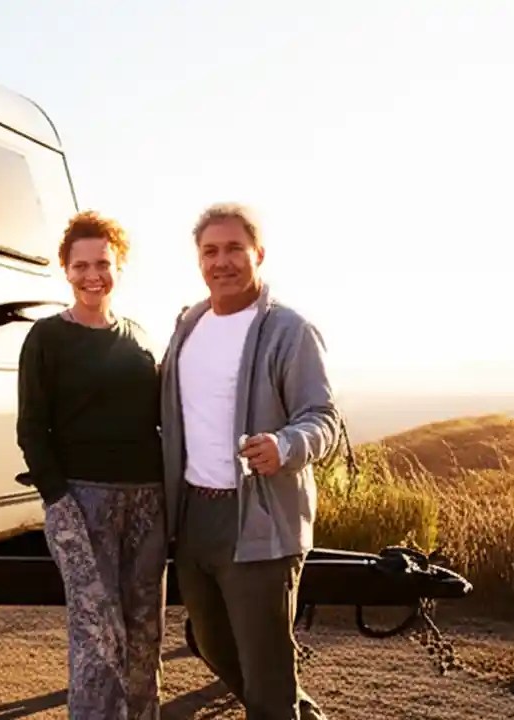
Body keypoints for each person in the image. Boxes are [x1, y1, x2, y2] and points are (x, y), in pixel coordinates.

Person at [159, 202, 339, 720]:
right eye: (210, 251)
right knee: (213, 647)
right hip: (195, 517)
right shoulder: (188, 324)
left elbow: (322, 416)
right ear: (199, 261)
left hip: (258, 519)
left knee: (266, 673)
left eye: (234, 248)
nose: (223, 261)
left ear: (257, 253)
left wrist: (284, 445)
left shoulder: (289, 330)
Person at [16, 210, 167, 719]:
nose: (92, 275)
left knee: (145, 630)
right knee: (98, 639)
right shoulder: (46, 338)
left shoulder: (140, 338)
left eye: (102, 263)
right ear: (65, 269)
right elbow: (32, 428)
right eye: (80, 265)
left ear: (118, 267)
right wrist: (58, 502)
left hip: (147, 501)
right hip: (81, 500)